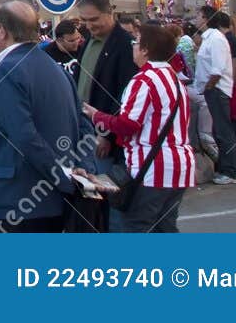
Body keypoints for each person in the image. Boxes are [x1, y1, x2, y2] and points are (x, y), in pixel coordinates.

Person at [0, 0, 92, 232]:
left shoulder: (7, 70)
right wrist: (79, 167)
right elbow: (83, 123)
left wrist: (62, 175)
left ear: (1, 31)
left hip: (21, 197)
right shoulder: (56, 68)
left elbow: (23, 135)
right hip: (52, 199)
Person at [83, 22, 196, 232]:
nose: (132, 46)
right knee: (165, 228)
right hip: (179, 168)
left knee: (136, 227)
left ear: (145, 49)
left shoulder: (145, 79)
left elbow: (127, 125)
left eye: (135, 42)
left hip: (151, 168)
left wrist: (96, 115)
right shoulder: (174, 79)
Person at [195, 10, 236, 185]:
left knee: (223, 130)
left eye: (199, 16)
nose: (196, 19)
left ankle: (230, 170)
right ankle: (225, 167)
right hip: (212, 89)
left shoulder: (216, 39)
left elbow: (218, 68)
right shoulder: (209, 38)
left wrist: (210, 85)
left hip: (217, 89)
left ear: (206, 19)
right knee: (218, 130)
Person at [77, 0, 136, 116]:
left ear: (110, 13)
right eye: (84, 20)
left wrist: (107, 130)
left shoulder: (126, 44)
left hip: (104, 127)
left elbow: (126, 94)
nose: (88, 26)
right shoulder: (88, 40)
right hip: (82, 122)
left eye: (94, 19)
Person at [43, 18, 84, 84]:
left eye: (78, 38)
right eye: (72, 41)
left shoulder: (82, 51)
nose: (76, 42)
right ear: (59, 40)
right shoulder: (47, 55)